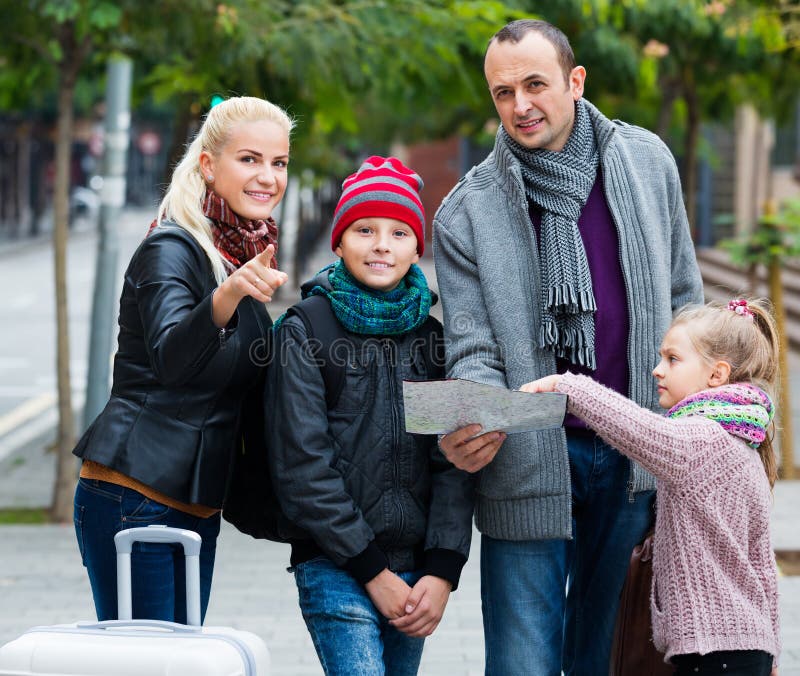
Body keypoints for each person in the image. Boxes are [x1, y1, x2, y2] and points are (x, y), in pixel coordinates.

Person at [432, 18, 704, 675]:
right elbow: (470, 346)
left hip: (637, 453)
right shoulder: (466, 211)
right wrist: (468, 416)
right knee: (524, 664)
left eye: (535, 84)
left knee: (610, 660)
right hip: (527, 459)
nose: (520, 105)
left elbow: (686, 302)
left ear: (575, 81)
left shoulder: (647, 162)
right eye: (503, 92)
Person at [72, 96, 291, 623]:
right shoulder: (173, 248)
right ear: (209, 165)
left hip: (194, 504)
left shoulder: (239, 253)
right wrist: (227, 295)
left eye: (279, 162)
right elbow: (173, 357)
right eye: (250, 159)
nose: (268, 176)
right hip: (135, 496)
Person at [265, 156, 474, 675]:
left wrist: (443, 570)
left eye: (400, 232)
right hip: (335, 563)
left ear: (416, 248)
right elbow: (302, 466)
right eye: (364, 229)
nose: (382, 244)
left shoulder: (432, 339)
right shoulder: (306, 331)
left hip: (417, 573)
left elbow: (452, 462)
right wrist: (372, 570)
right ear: (338, 242)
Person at [521, 298, 781, 676]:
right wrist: (772, 654)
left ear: (716, 374)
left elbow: (638, 430)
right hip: (745, 648)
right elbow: (764, 566)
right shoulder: (744, 443)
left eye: (673, 359)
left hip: (714, 653)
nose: (657, 370)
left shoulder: (702, 440)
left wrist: (568, 386)